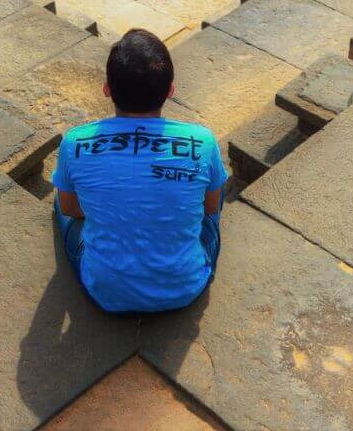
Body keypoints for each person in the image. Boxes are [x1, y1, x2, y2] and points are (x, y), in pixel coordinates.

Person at [51, 29, 226, 314]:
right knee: (215, 187)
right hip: (185, 287)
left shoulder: (74, 143)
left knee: (60, 202)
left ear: (107, 89)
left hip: (105, 293)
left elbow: (72, 209)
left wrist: (113, 205)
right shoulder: (203, 141)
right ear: (171, 91)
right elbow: (209, 207)